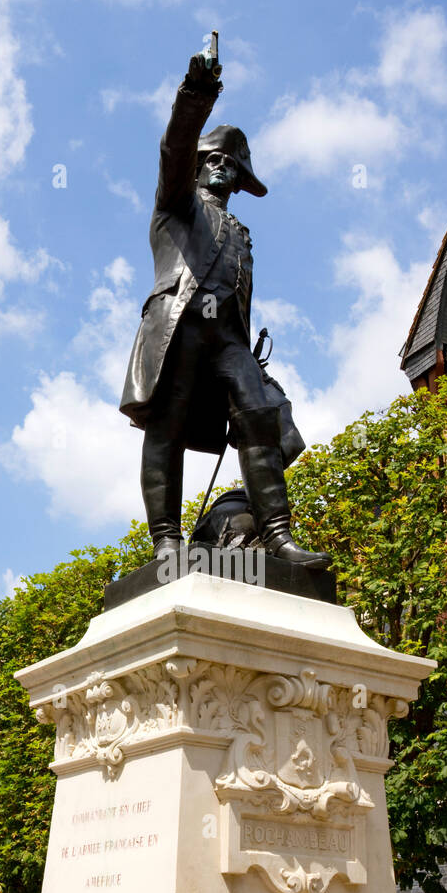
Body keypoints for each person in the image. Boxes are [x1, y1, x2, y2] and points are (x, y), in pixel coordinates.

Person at [119, 43, 329, 570]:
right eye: (211, 160)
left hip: (228, 341)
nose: (220, 169)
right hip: (179, 326)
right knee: (166, 427)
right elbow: (174, 147)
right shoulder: (177, 206)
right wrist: (197, 93)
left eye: (230, 165)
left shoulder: (242, 230)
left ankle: (277, 536)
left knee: (262, 416)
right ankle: (167, 540)